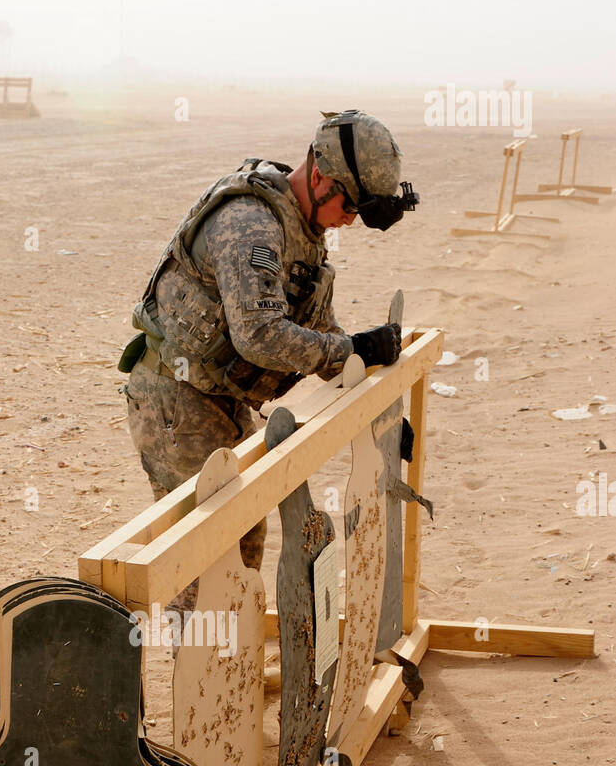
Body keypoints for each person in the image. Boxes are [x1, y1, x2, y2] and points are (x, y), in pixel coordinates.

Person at [119, 109, 419, 610]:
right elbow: (260, 335)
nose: (349, 219)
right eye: (350, 205)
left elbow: (318, 333)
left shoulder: (302, 227)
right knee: (203, 564)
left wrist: (377, 404)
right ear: (320, 176)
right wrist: (352, 350)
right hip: (177, 401)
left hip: (223, 400)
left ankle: (227, 680)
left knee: (241, 547)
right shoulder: (249, 224)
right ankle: (193, 683)